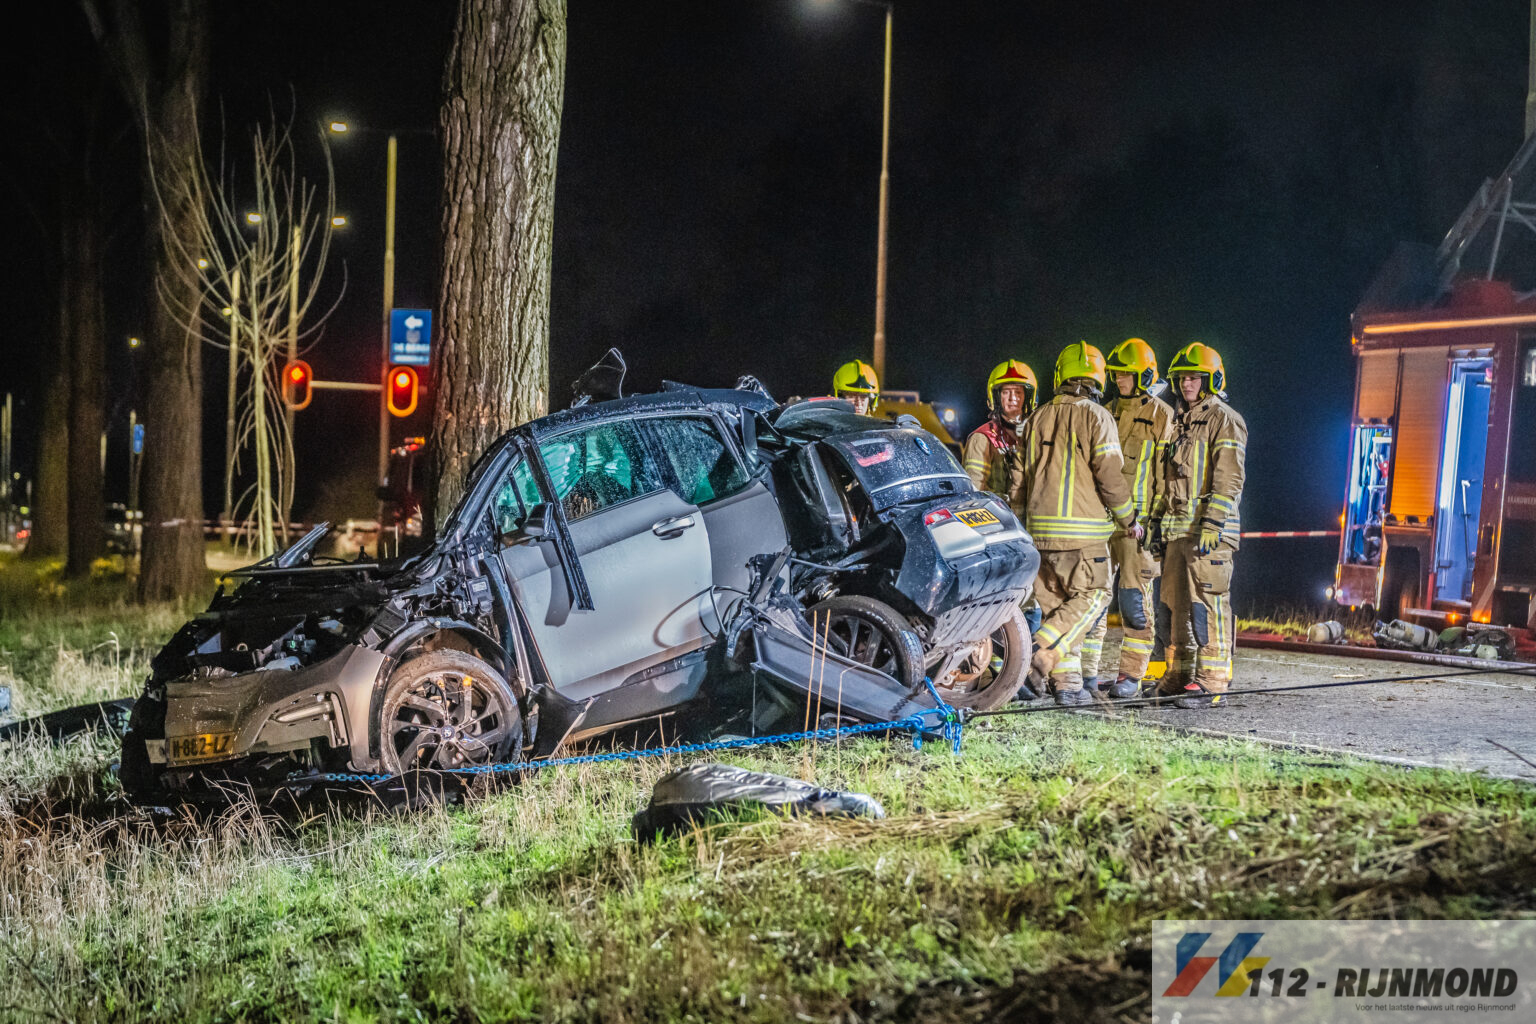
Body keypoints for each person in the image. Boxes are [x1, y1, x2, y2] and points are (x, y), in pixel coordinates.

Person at [1012, 342, 1144, 705]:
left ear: (1060, 376)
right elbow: (1111, 478)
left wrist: (1021, 529)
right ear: (1098, 379)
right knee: (1094, 596)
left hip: (1038, 535)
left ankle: (1067, 687)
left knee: (1058, 610)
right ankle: (1035, 655)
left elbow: (1019, 481)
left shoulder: (1036, 417)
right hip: (1083, 536)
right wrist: (1128, 518)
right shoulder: (1098, 416)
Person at [1150, 342, 1247, 709]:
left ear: (1210, 380)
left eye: (1194, 378)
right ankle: (1180, 674)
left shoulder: (1225, 418)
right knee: (1175, 606)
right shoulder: (1180, 422)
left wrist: (1213, 524)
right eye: (1182, 378)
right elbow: (1169, 480)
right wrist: (1159, 523)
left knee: (1208, 604)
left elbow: (1229, 480)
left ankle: (1212, 681)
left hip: (1209, 535)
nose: (1186, 384)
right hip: (1179, 532)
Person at [1092, 338, 1176, 699]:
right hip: (1099, 522)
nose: (1118, 378)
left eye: (1125, 372)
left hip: (1136, 528)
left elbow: (1166, 475)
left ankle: (1131, 676)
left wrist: (1156, 522)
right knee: (1093, 601)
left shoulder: (1162, 415)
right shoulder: (1105, 410)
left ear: (1143, 374)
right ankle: (1084, 674)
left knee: (1134, 602)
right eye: (1115, 373)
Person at [962, 360, 1036, 499]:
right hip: (999, 517)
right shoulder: (982, 438)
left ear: (1028, 398)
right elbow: (973, 491)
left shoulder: (1038, 435)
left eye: (1018, 392)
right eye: (1005, 392)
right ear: (995, 397)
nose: (1012, 398)